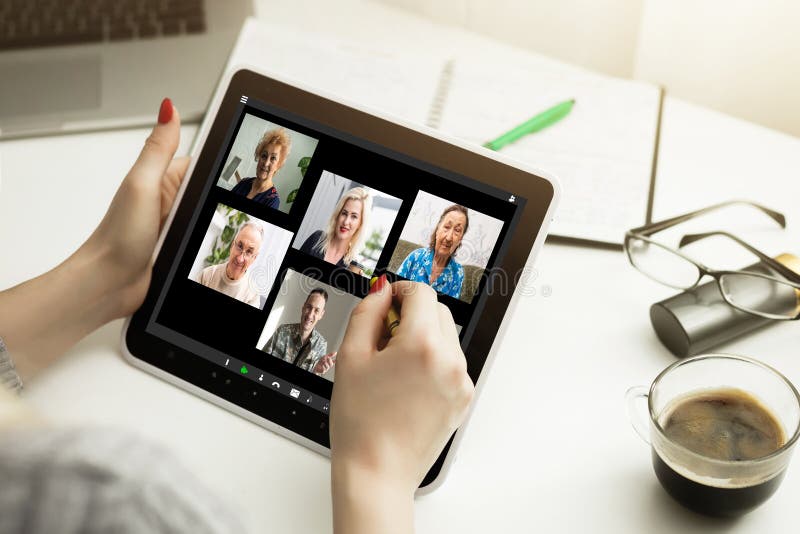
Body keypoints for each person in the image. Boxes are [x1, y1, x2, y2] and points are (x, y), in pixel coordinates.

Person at [0, 99, 474, 533]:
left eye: (356, 216)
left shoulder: (345, 270)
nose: (347, 220)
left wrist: (105, 274)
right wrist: (379, 477)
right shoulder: (126, 505)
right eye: (343, 214)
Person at [397, 204, 469, 299]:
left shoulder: (458, 273)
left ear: (460, 239)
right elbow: (394, 288)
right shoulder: (416, 256)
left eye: (457, 230)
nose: (448, 237)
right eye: (447, 227)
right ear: (437, 230)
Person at [261, 287, 338, 376]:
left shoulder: (321, 345)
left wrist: (315, 371)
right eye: (309, 307)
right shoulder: (282, 331)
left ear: (321, 315)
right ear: (303, 307)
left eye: (316, 310)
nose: (310, 315)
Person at [299, 187, 371, 268]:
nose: (346, 222)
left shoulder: (352, 266)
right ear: (338, 214)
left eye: (354, 216)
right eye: (344, 213)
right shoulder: (316, 239)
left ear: (360, 224)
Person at [195, 221, 262, 307]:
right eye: (239, 246)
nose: (240, 259)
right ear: (232, 246)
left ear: (254, 258)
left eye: (249, 252)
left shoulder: (253, 296)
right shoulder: (206, 275)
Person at [230, 127, 292, 209]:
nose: (266, 163)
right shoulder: (243, 183)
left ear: (278, 165)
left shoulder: (273, 201)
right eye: (264, 156)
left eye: (273, 158)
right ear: (259, 157)